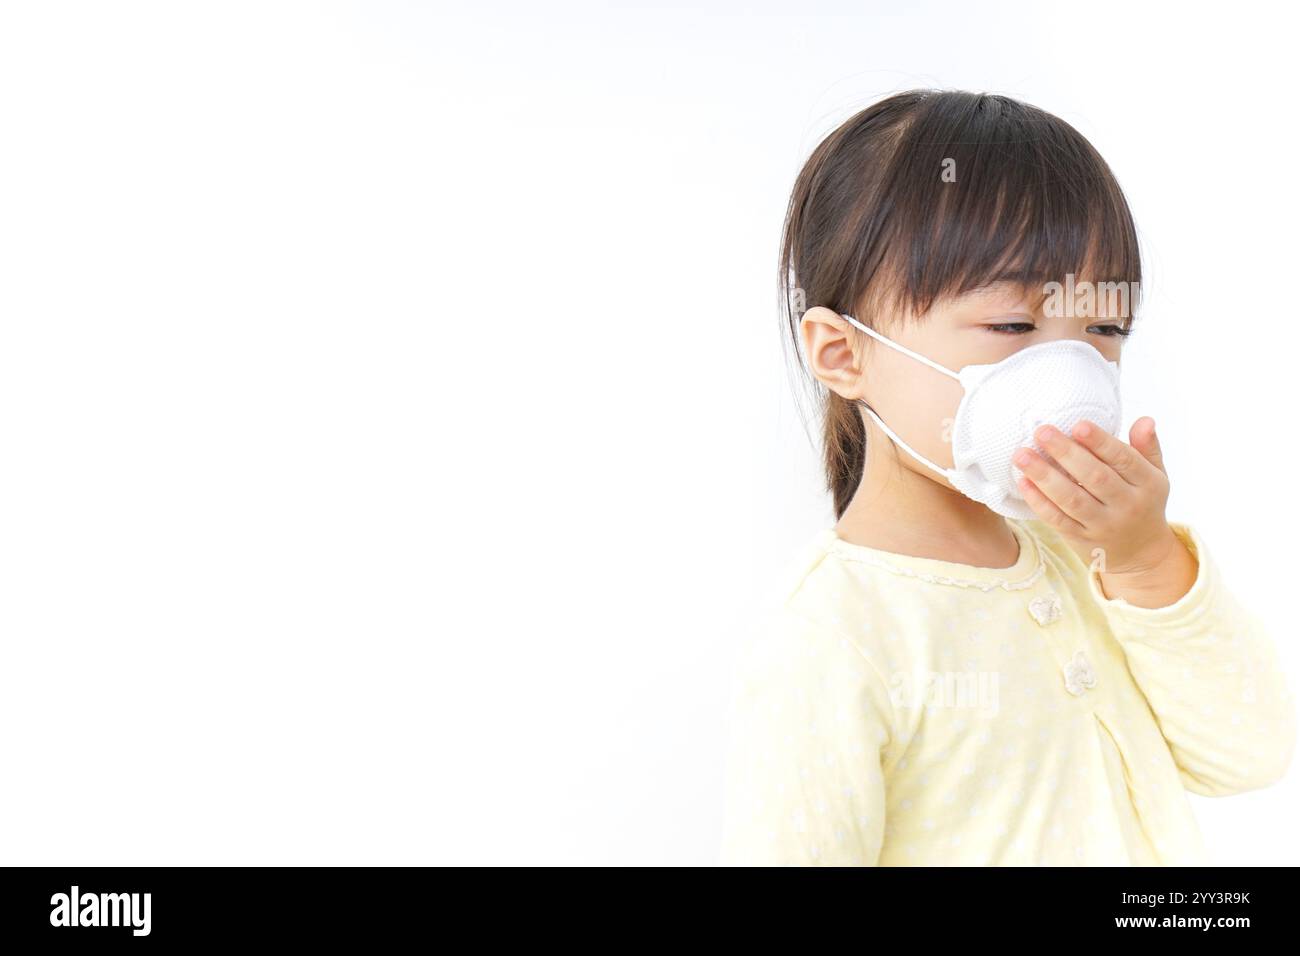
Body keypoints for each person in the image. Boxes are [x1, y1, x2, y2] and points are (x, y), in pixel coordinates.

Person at [718, 89, 1296, 865]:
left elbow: (1247, 754)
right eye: (1013, 326)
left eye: (1101, 328)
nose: (1067, 369)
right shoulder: (835, 636)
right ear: (843, 354)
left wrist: (1145, 560)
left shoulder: (1082, 559)